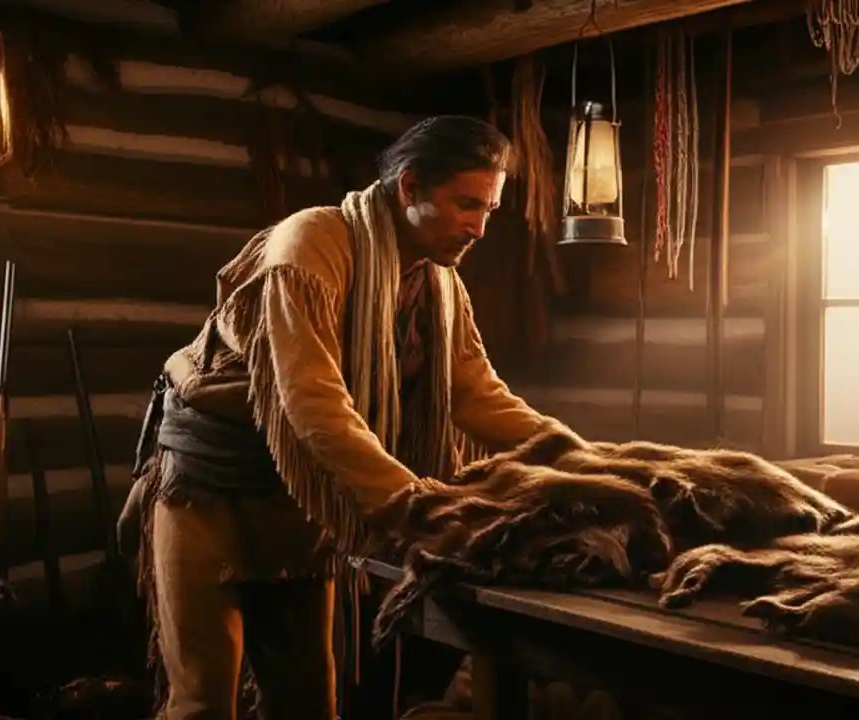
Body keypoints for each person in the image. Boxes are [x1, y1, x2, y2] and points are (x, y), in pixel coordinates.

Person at [118, 115, 558, 719]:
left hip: (298, 505)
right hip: (205, 494)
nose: (479, 227)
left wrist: (576, 456)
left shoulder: (439, 284)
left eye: (488, 209)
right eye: (466, 205)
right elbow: (313, 402)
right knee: (202, 702)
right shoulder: (311, 246)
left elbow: (476, 393)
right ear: (410, 188)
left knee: (307, 704)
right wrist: (416, 506)